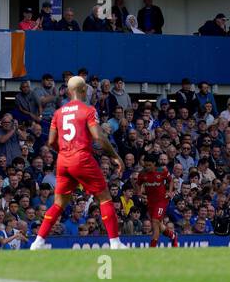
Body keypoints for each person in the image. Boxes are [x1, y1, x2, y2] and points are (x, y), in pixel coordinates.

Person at [29, 76, 126, 250]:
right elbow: (98, 136)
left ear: (68, 91)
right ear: (84, 90)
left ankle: (38, 242)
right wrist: (114, 156)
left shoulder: (58, 112)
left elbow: (51, 142)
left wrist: (66, 152)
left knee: (59, 203)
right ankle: (115, 242)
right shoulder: (89, 110)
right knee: (104, 198)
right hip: (81, 158)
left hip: (63, 160)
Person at [135, 154, 178, 248]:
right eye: (145, 165)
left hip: (162, 201)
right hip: (150, 202)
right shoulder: (142, 174)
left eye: (149, 165)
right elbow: (138, 184)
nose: (147, 167)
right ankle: (173, 236)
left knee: (155, 221)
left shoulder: (162, 171)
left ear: (154, 164)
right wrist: (138, 192)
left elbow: (170, 180)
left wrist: (170, 192)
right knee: (158, 224)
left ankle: (153, 248)